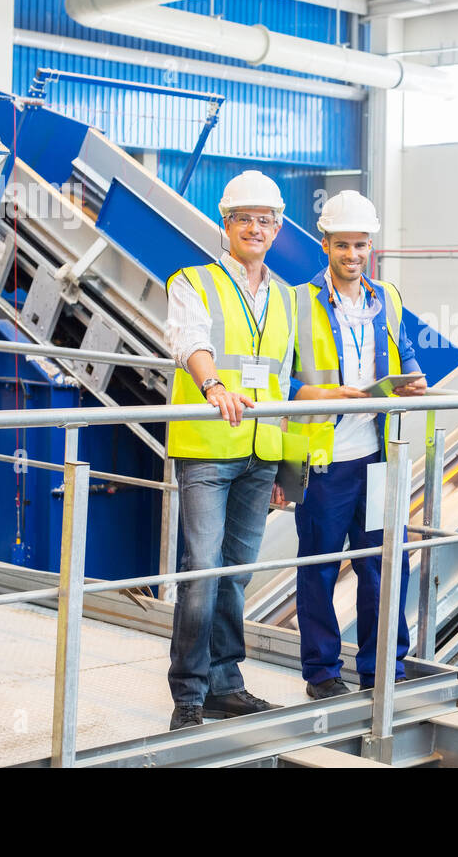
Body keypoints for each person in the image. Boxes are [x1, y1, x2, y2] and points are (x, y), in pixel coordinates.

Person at [162, 170, 295, 731]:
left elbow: (288, 378)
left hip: (261, 452)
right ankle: (188, 695)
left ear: (278, 226)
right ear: (226, 223)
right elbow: (190, 339)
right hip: (209, 448)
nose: (255, 228)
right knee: (202, 573)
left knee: (236, 574)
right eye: (244, 219)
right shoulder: (193, 281)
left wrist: (288, 463)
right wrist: (214, 386)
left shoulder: (287, 296)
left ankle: (226, 684)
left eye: (265, 220)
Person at [286, 190, 426, 699]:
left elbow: (404, 351)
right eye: (342, 245)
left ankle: (383, 666)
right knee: (319, 566)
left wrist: (412, 379)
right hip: (325, 460)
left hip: (378, 455)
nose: (352, 256)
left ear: (372, 246)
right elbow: (282, 385)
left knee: (385, 562)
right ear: (325, 244)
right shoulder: (298, 301)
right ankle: (322, 673)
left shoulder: (385, 297)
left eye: (361, 246)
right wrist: (330, 393)